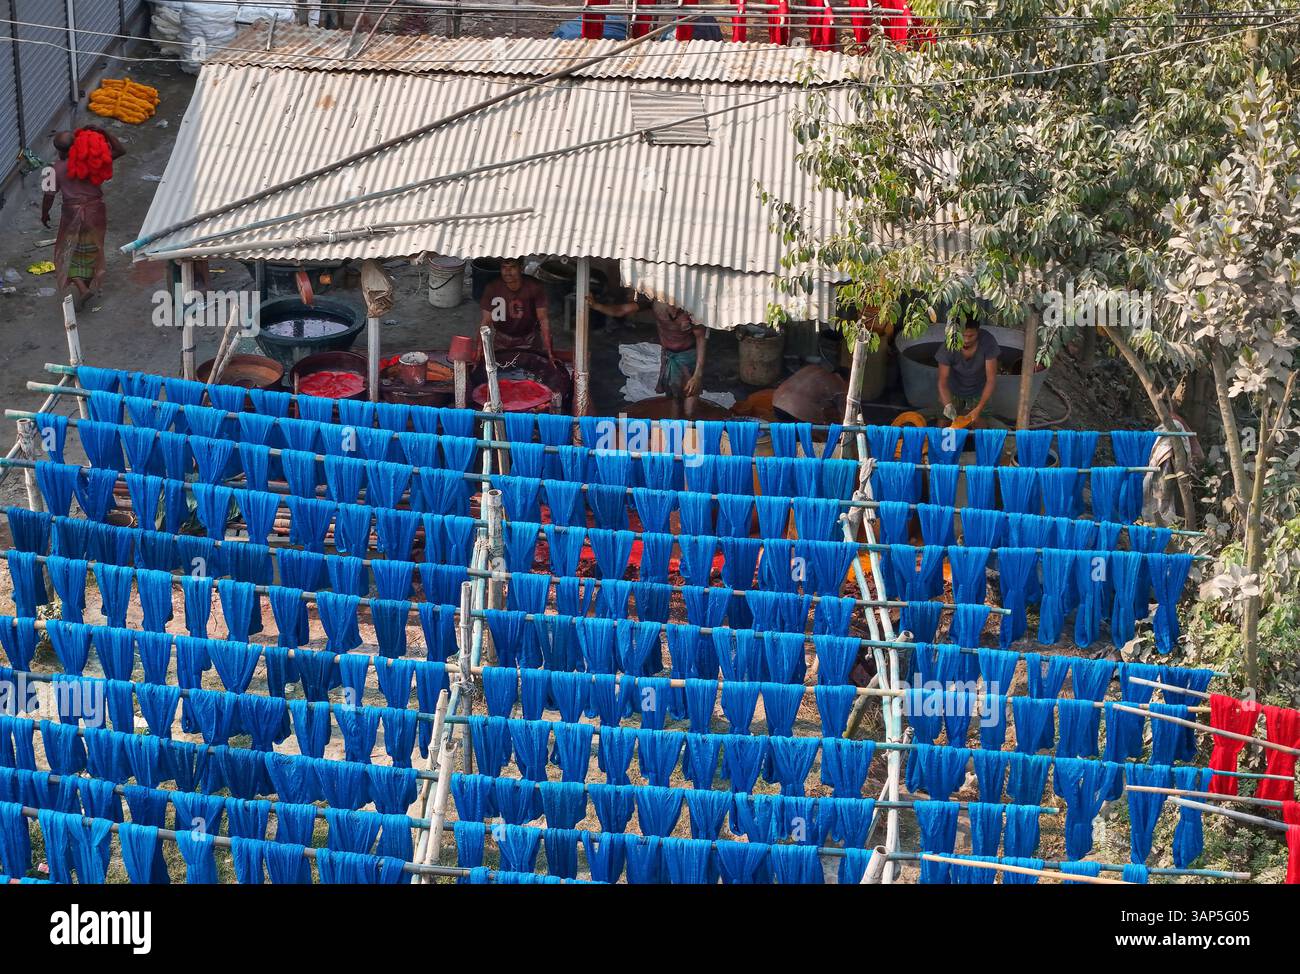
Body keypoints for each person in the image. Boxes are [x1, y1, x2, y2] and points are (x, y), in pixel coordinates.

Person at [41, 127, 126, 308]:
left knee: (68, 250)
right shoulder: (92, 162)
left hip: (71, 213)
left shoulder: (51, 169)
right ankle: (84, 287)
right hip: (95, 210)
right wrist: (102, 131)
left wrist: (45, 213)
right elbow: (120, 150)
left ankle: (81, 286)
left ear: (58, 150)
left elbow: (48, 195)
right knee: (90, 249)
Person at [588, 291, 707, 417]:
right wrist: (596, 305)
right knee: (675, 398)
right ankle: (674, 431)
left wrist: (697, 375)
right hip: (668, 355)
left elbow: (701, 339)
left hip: (689, 356)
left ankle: (690, 428)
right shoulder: (656, 303)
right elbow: (621, 310)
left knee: (690, 400)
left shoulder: (691, 311)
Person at [477, 257, 571, 399]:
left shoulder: (534, 287)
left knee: (531, 376)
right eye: (504, 267)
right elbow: (485, 322)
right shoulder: (493, 287)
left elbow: (543, 320)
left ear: (521, 267)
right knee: (499, 377)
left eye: (512, 267)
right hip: (501, 338)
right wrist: (479, 351)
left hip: (529, 338)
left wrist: (550, 352)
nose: (507, 272)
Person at [936, 321, 999, 424]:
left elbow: (991, 380)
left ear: (978, 332)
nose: (966, 340)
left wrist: (978, 409)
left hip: (979, 388)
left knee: (980, 425)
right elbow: (942, 381)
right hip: (953, 388)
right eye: (963, 336)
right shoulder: (948, 346)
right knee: (943, 422)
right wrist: (948, 406)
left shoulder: (988, 342)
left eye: (971, 336)